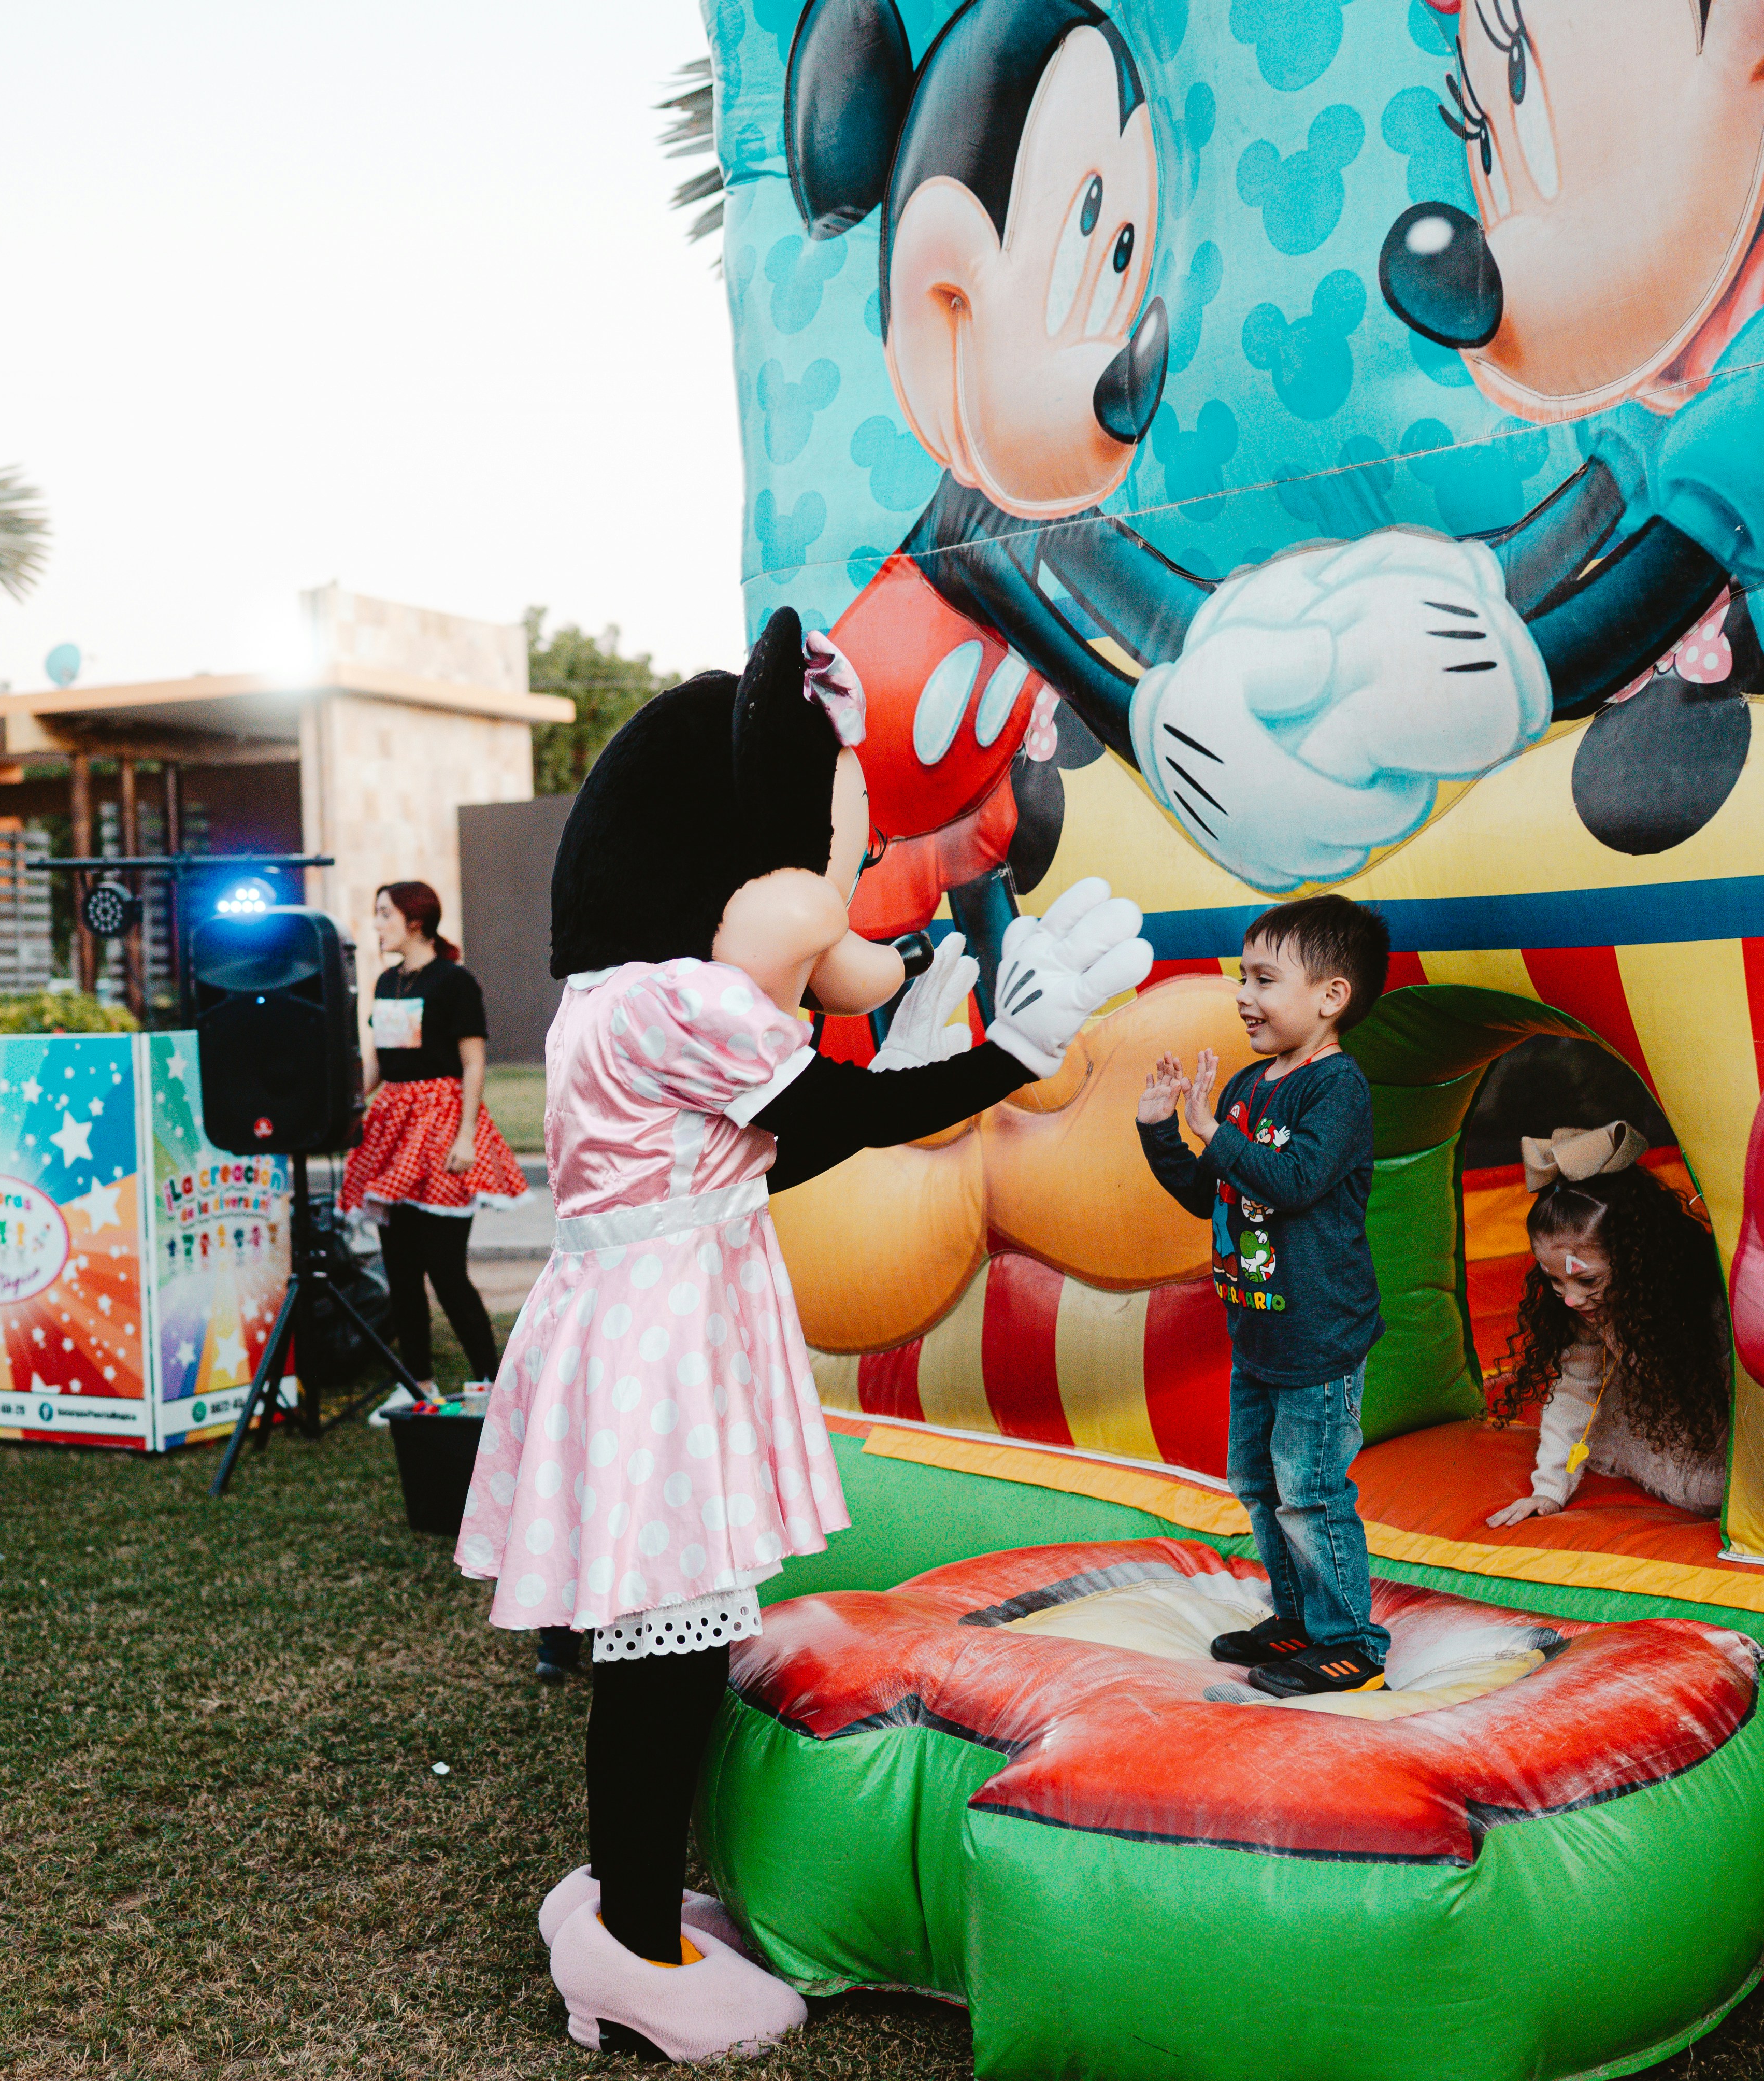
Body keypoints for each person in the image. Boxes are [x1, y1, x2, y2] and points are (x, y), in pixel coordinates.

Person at [453, 610, 1149, 2059]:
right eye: (823, 873)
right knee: (665, 1647)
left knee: (671, 1641)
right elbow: (833, 1115)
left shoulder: (630, 1003)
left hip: (661, 1326)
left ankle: (631, 1900)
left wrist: (923, 1059)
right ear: (715, 871)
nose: (847, 909)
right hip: (658, 1345)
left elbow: (779, 1149)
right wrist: (1001, 1057)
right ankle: (630, 1949)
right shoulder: (681, 999)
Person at [1138, 895, 1394, 1697]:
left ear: (1330, 997)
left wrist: (1215, 1131)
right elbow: (1207, 1195)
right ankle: (1296, 1619)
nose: (1242, 994)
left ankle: (1350, 1642)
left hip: (1318, 1338)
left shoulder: (1337, 1091)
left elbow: (1290, 1181)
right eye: (1241, 975)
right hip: (1258, 1335)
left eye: (1263, 979)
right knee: (1261, 1487)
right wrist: (1163, 1131)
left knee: (1312, 1492)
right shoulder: (1252, 1084)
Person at [1484, 1123, 1730, 1525]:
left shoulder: (1706, 1303)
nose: (1571, 1299)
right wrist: (1549, 1489)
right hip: (1655, 1414)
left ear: (1638, 1259)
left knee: (1710, 1489)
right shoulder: (1589, 1313)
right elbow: (1576, 1390)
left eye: (1587, 1280)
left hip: (1713, 1424)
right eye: (1553, 1280)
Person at [336, 881, 528, 1388]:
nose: (376, 924)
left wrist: (465, 1136)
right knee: (400, 1272)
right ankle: (415, 1383)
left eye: (384, 914)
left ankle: (491, 1383)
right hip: (393, 1126)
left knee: (445, 1269)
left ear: (414, 920)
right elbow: (379, 1059)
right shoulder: (385, 983)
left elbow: (473, 1061)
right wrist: (352, 1106)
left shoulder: (454, 981)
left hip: (441, 1121)